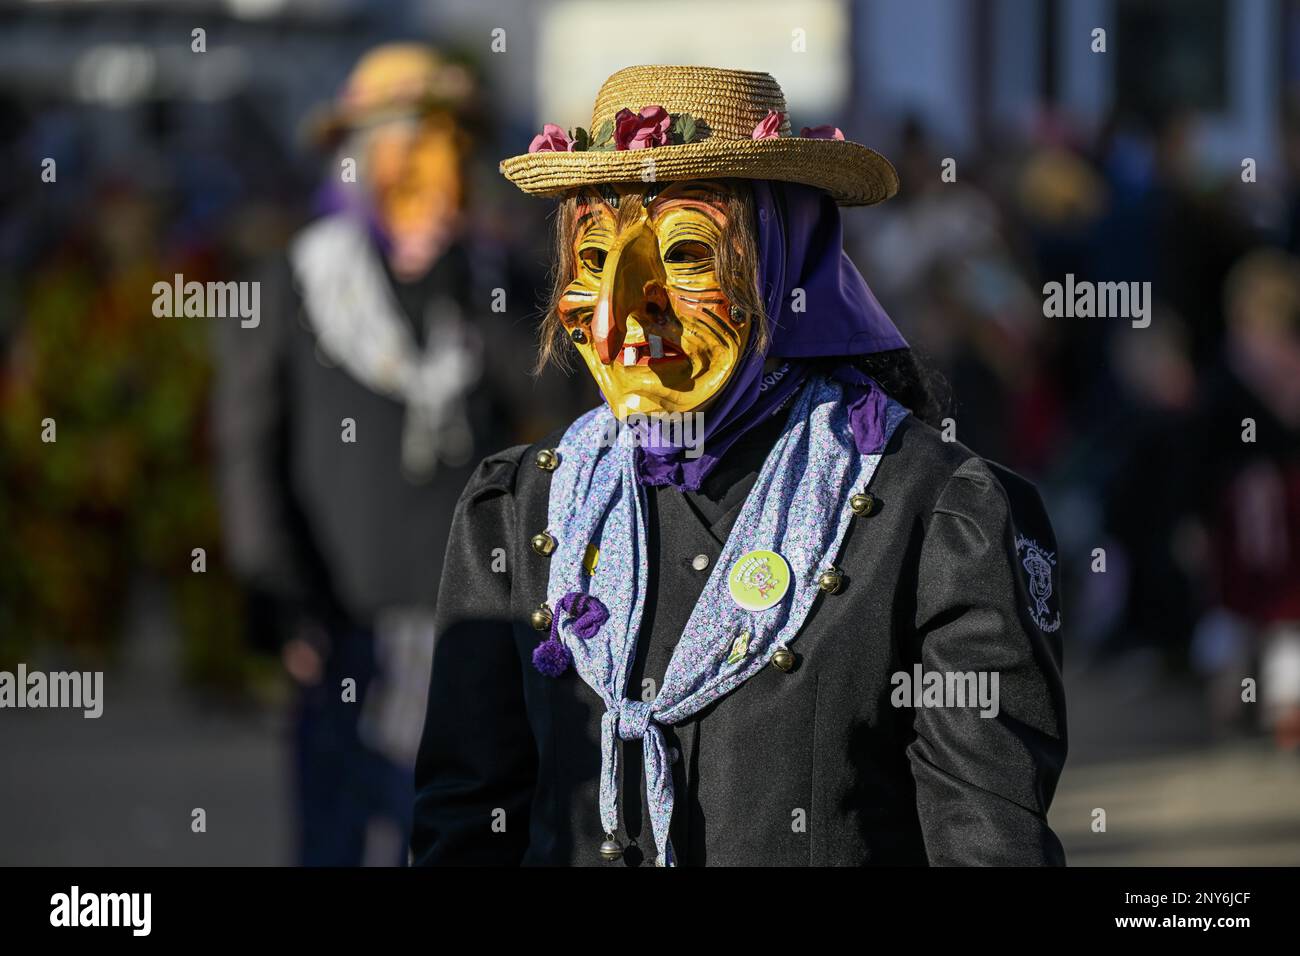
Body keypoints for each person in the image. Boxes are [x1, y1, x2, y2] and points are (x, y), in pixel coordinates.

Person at [412, 65, 1067, 866]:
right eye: (591, 257)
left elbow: (987, 840)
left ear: (787, 262)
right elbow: (466, 820)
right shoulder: (521, 511)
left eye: (685, 253)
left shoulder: (930, 513)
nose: (622, 311)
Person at [214, 45, 527, 865]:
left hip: (467, 617)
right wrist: (279, 596)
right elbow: (248, 449)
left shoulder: (493, 279)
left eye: (446, 143)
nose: (427, 164)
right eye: (405, 141)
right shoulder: (292, 285)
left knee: (459, 834)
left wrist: (459, 276)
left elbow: (549, 413)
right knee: (338, 834)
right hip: (340, 617)